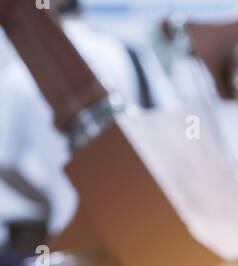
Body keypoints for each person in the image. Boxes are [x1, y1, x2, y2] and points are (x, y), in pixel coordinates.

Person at [0, 0, 173, 252]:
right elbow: (167, 126)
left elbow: (5, 164)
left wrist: (48, 202)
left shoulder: (18, 75)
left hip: (77, 242)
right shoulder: (128, 53)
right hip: (150, 227)